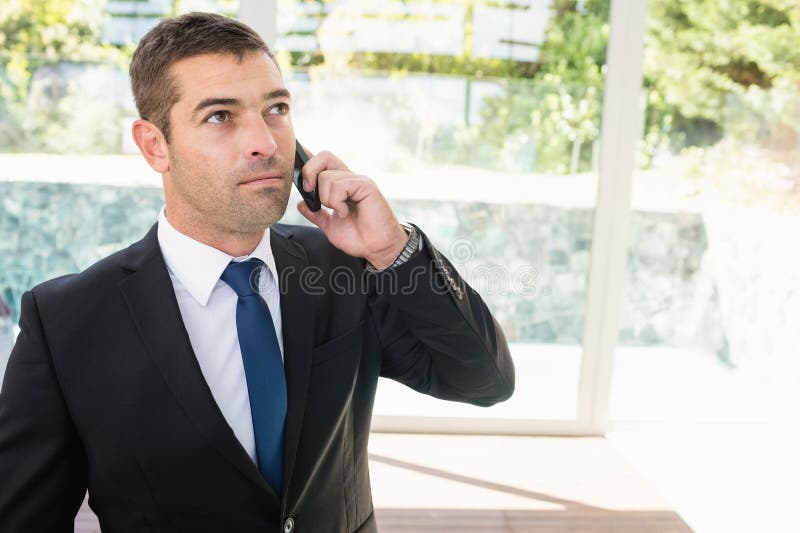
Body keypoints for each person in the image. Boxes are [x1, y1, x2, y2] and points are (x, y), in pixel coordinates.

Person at [0, 12, 514, 533]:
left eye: (276, 109)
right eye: (220, 116)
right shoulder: (67, 323)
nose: (265, 142)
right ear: (155, 145)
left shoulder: (345, 267)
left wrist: (392, 250)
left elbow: (483, 381)